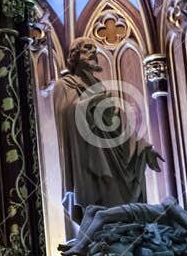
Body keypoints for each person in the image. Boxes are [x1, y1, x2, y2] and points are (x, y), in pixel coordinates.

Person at [54, 41, 161, 221]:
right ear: (74, 56)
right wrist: (89, 104)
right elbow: (65, 116)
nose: (93, 53)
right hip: (87, 157)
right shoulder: (65, 85)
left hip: (111, 154)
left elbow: (116, 126)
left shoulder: (99, 85)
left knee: (121, 194)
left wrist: (142, 145)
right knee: (100, 201)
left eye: (95, 50)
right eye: (87, 49)